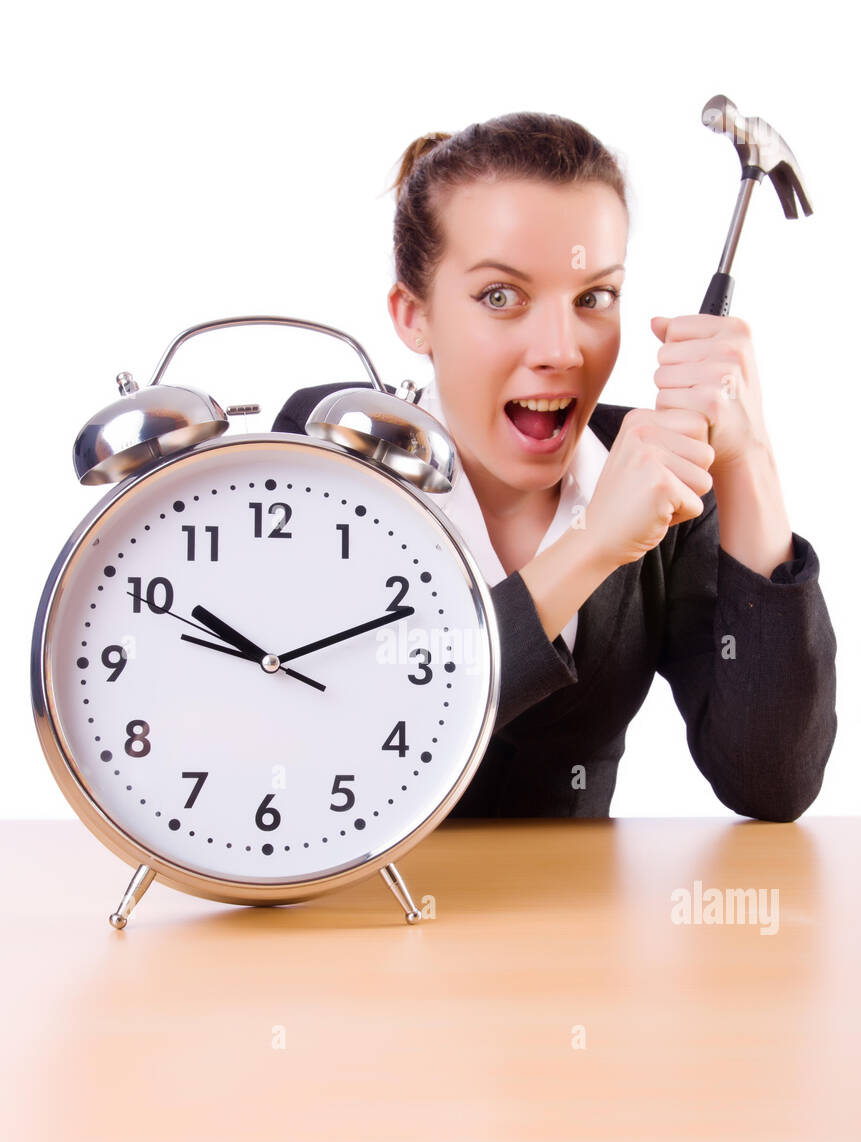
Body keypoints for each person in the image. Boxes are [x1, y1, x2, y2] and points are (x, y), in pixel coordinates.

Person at [273, 112, 837, 821]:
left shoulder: (655, 476)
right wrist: (591, 547)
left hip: (580, 927)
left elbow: (770, 779)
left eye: (592, 297)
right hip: (361, 920)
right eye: (500, 297)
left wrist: (745, 460)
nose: (561, 350)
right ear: (413, 315)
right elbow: (337, 730)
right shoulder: (330, 448)